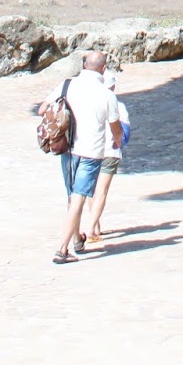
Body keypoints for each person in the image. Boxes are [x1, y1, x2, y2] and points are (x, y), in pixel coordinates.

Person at [47, 50, 121, 264]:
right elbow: (116, 129)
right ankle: (62, 249)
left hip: (68, 148)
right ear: (103, 69)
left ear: (84, 65)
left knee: (72, 197)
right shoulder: (107, 95)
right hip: (91, 152)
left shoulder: (67, 85)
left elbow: (43, 109)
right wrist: (118, 142)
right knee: (78, 197)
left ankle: (77, 241)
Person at [81, 68, 130, 242]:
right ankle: (91, 229)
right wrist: (118, 143)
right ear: (113, 86)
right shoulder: (119, 106)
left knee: (92, 190)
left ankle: (95, 226)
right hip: (110, 151)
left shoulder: (87, 103)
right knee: (101, 191)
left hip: (90, 149)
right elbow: (124, 134)